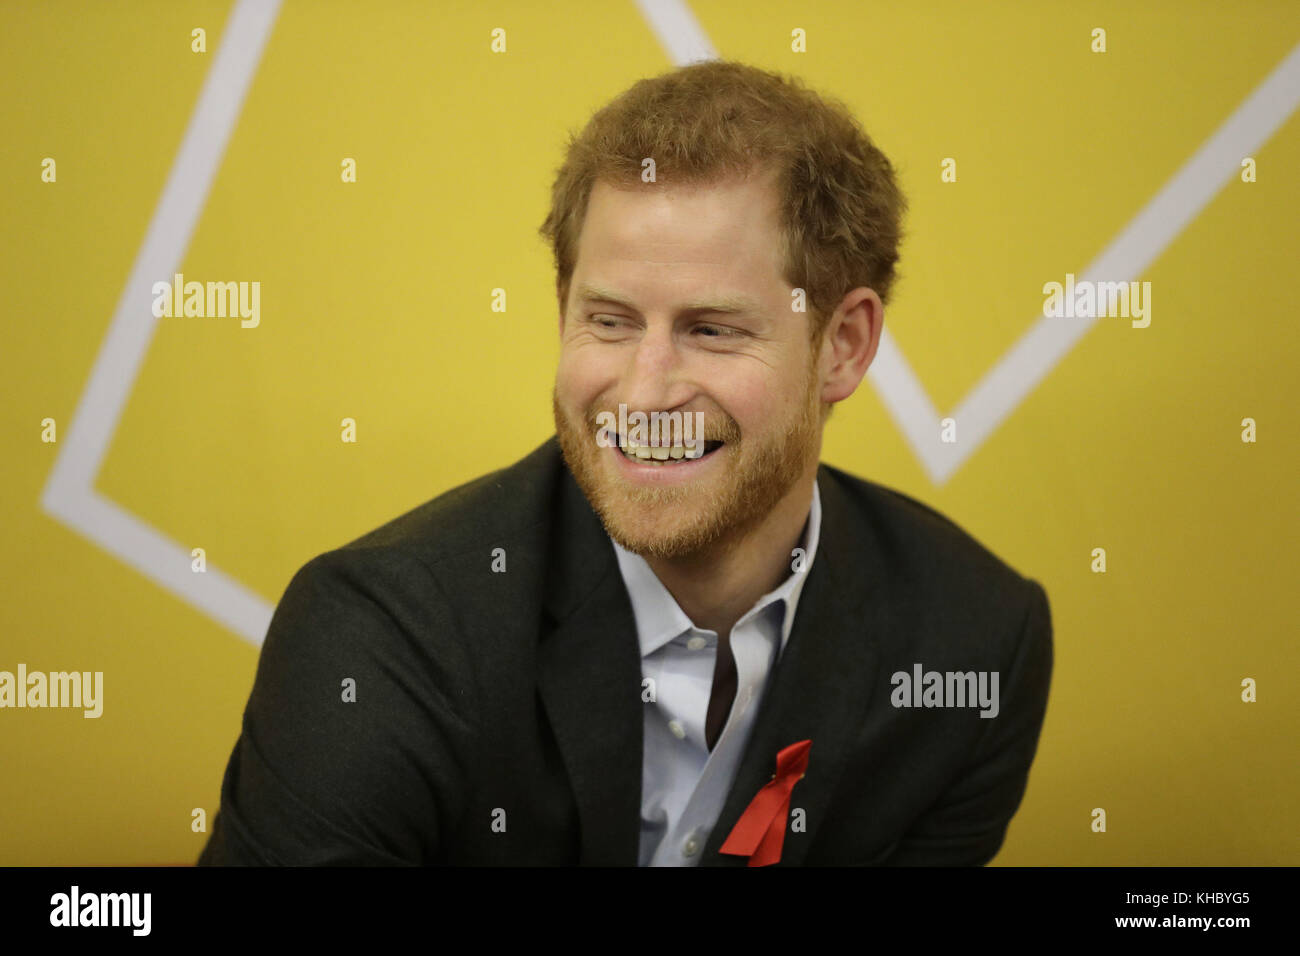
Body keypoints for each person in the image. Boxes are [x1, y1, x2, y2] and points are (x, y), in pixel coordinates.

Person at [198, 59, 1052, 867]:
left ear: (844, 346)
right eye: (608, 321)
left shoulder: (973, 643)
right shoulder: (382, 638)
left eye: (712, 329)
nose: (644, 394)